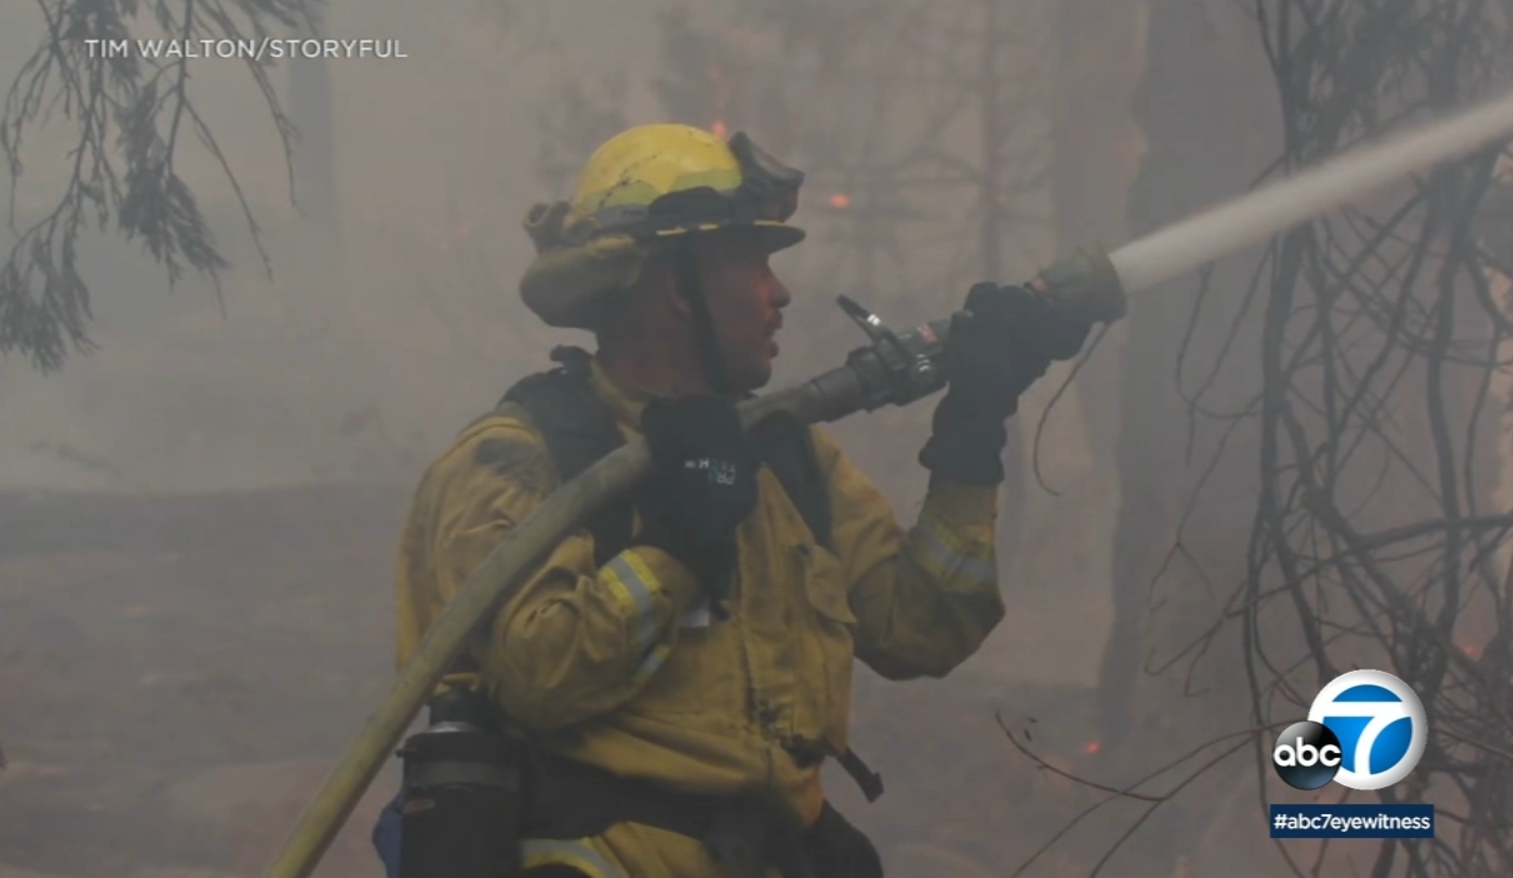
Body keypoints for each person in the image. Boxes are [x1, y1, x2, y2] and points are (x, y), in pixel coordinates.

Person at [392, 123, 1124, 878]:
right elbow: (538, 678)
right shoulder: (520, 459)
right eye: (752, 264)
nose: (780, 294)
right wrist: (678, 544)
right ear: (674, 286)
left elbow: (926, 630)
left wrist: (973, 429)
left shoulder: (786, 459)